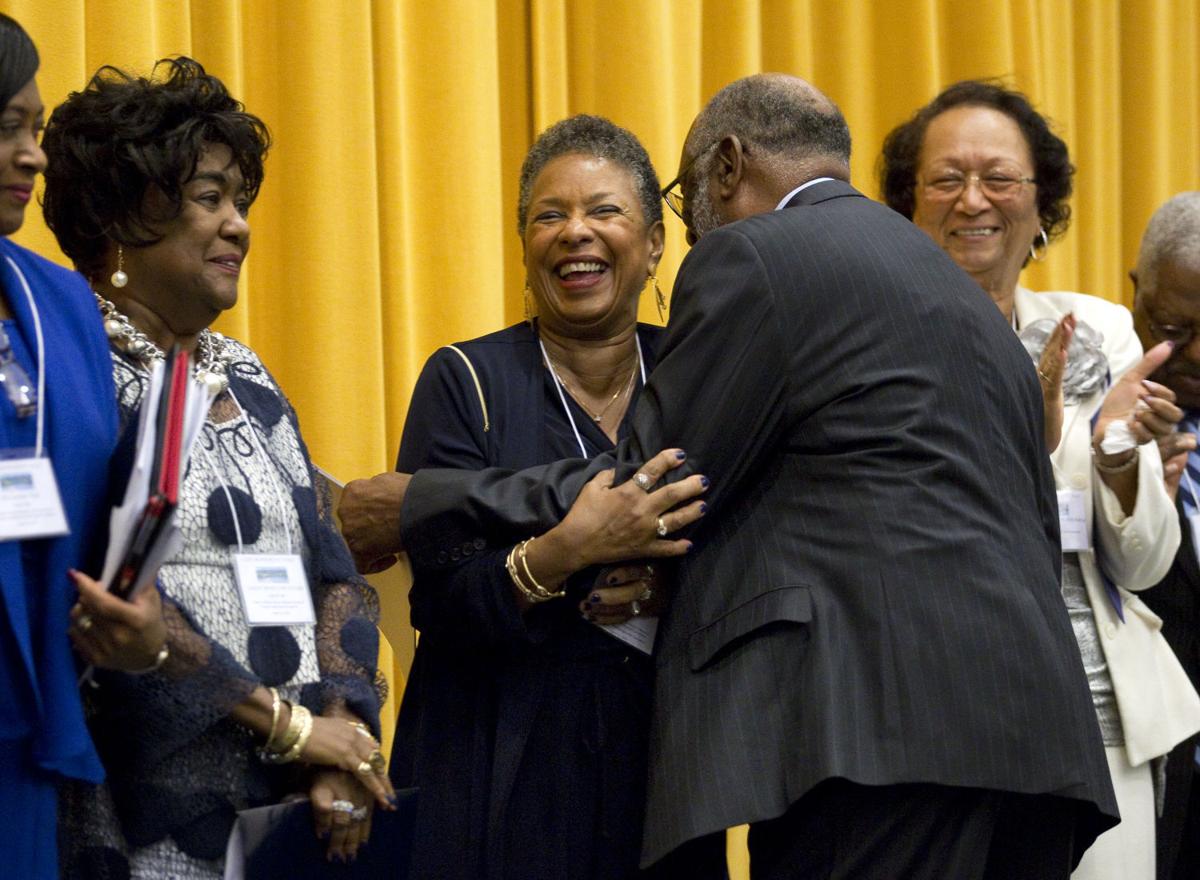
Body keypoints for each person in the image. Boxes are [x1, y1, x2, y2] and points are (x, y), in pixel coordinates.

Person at [341, 73, 1117, 878]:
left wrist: (421, 499)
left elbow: (649, 479)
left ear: (725, 167)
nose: (694, 229)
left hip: (877, 737)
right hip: (1032, 745)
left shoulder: (756, 255)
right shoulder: (948, 286)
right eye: (550, 213)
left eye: (665, 208)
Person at [40, 57, 394, 878]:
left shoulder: (248, 374)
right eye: (210, 198)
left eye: (240, 200)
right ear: (123, 217)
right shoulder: (76, 377)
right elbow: (108, 604)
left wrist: (339, 732)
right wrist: (293, 727)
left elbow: (334, 570)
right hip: (146, 817)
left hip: (291, 813)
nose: (239, 224)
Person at [381, 114, 720, 880]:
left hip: (660, 761)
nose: (575, 232)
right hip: (497, 755)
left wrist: (667, 584)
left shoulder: (695, 375)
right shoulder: (465, 381)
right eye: (548, 215)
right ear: (525, 246)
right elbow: (439, 604)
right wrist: (569, 552)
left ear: (656, 243)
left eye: (604, 211)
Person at [880, 81, 1200, 880]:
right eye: (946, 179)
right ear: (908, 203)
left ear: (1041, 201)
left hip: (1098, 715)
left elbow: (1145, 566)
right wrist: (1049, 442)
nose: (973, 200)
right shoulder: (871, 342)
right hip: (932, 719)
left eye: (1001, 178)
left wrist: (1120, 456)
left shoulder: (1101, 330)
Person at [0, 14, 165, 880]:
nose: (33, 155)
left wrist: (142, 627)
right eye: (6, 128)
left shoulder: (60, 303)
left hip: (39, 747)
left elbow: (111, 508)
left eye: (35, 129)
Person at [1129, 191, 1200, 880]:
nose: (1195, 355)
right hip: (1150, 787)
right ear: (1135, 293)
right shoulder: (1085, 412)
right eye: (1175, 327)